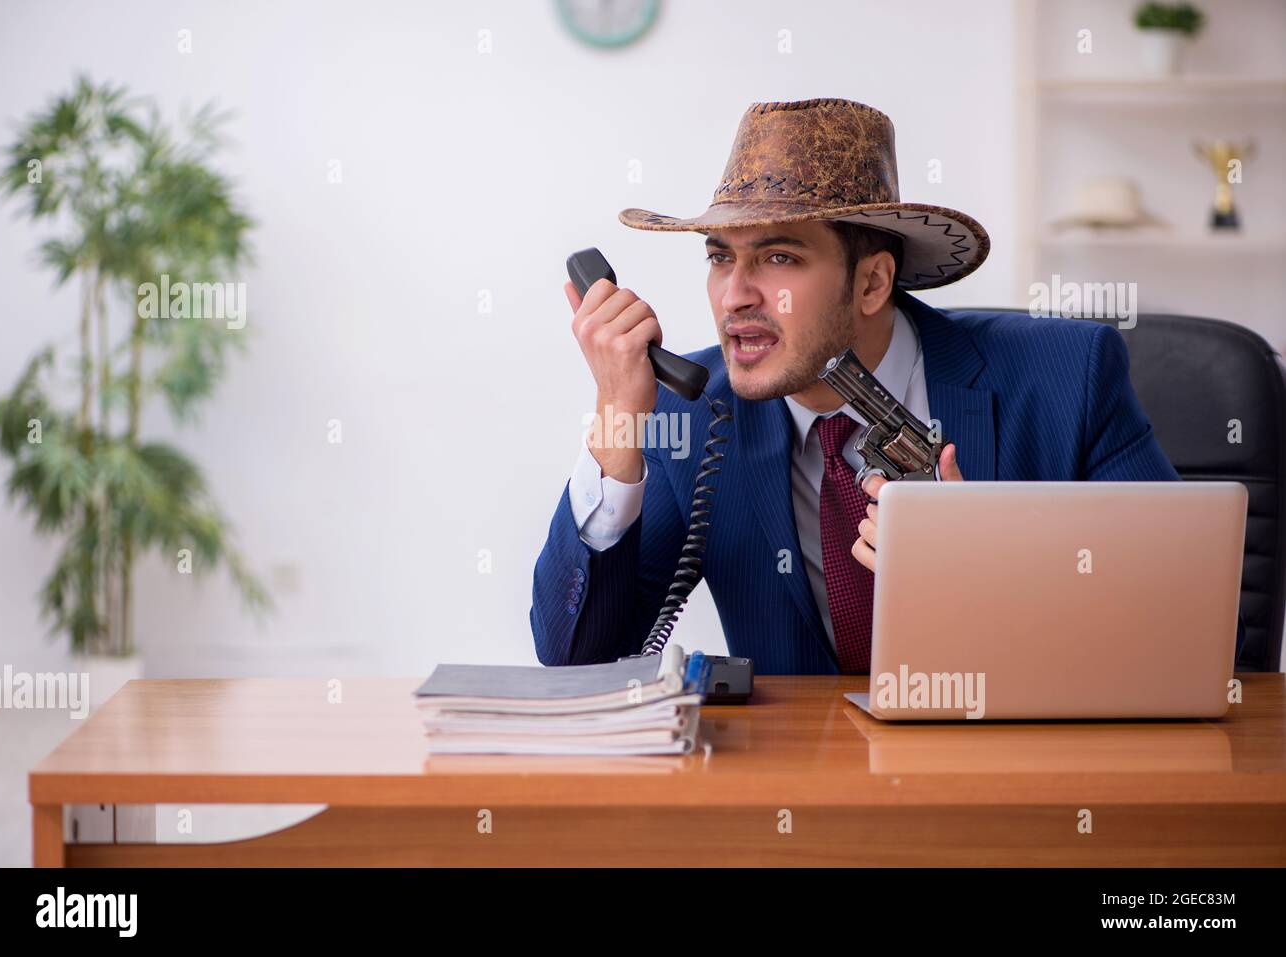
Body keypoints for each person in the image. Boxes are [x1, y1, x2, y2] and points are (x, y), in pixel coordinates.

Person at [530, 98, 1245, 674]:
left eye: (778, 256)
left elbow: (1185, 627)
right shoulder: (698, 416)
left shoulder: (1069, 378)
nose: (735, 295)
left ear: (873, 280)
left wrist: (987, 570)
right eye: (721, 258)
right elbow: (576, 656)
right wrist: (617, 424)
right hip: (800, 815)